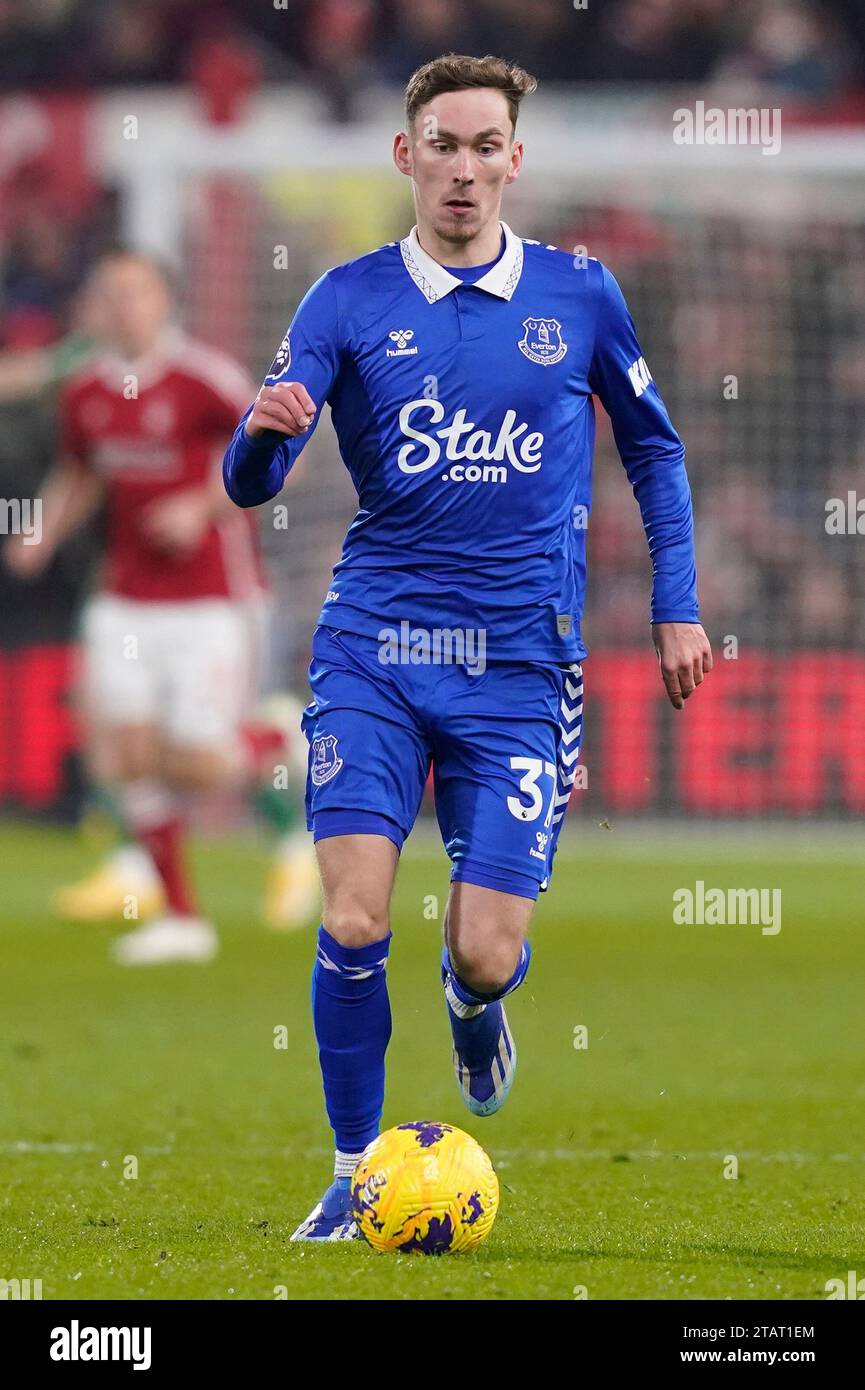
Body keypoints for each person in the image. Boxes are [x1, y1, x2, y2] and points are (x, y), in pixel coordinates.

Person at [223, 54, 713, 1240]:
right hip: (373, 652)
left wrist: (677, 603)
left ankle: (470, 995)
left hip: (518, 674)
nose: (462, 167)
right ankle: (351, 1171)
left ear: (514, 159)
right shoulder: (343, 298)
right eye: (441, 143)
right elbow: (254, 482)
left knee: (489, 952)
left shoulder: (579, 295)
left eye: (484, 145)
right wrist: (255, 440)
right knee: (349, 919)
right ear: (406, 154)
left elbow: (654, 449)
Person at [5, 251, 315, 963]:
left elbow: (275, 452)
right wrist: (42, 532)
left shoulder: (204, 379)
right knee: (125, 754)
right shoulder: (85, 389)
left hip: (209, 597)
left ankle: (280, 744)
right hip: (125, 596)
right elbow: (80, 471)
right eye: (108, 294)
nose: (122, 307)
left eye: (135, 293)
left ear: (163, 301)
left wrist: (201, 505)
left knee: (196, 765)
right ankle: (181, 917)